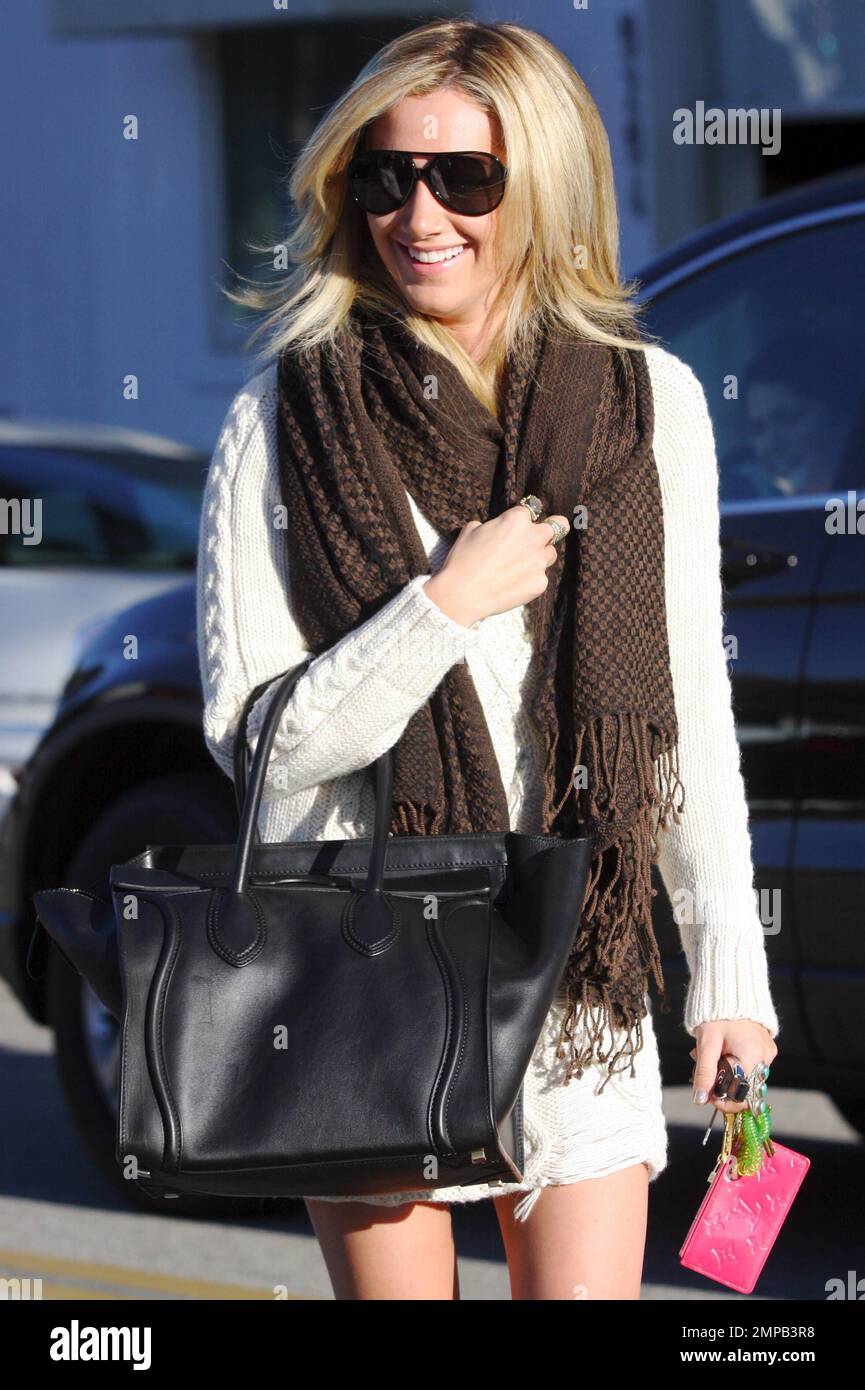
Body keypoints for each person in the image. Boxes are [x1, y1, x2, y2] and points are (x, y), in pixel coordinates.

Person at [196, 18, 779, 1300]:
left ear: (546, 189)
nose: (421, 213)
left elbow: (686, 718)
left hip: (576, 981)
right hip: (360, 971)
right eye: (387, 175)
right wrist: (441, 610)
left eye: (466, 177)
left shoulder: (646, 403)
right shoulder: (279, 422)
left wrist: (729, 982)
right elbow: (264, 750)